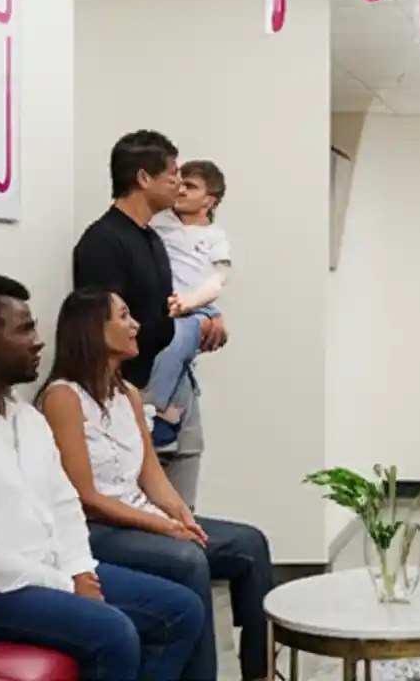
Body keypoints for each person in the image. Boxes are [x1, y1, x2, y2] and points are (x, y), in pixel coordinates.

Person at [0, 273, 205, 681]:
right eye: (24, 329)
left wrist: (79, 569)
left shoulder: (25, 417)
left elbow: (64, 502)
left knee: (182, 610)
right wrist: (65, 583)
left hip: (53, 572)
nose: (38, 340)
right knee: (112, 632)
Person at [39, 287, 273, 681]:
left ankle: (260, 672)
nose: (136, 325)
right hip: (96, 529)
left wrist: (181, 516)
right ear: (93, 329)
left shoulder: (127, 393)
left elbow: (151, 473)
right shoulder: (62, 397)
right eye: (125, 316)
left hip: (141, 517)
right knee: (188, 560)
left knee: (249, 545)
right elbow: (86, 498)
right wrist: (163, 527)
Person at [73, 130, 227, 506]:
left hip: (173, 385)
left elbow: (167, 308)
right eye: (173, 174)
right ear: (144, 178)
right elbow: (102, 330)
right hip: (132, 395)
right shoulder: (103, 242)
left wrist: (206, 319)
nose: (177, 183)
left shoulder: (154, 240)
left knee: (186, 482)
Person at [146, 160, 232, 447]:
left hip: (196, 307)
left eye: (190, 186)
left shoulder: (214, 237)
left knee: (177, 340)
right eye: (179, 182)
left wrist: (188, 302)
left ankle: (152, 411)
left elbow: (217, 281)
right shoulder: (160, 222)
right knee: (175, 356)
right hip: (166, 305)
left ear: (210, 199)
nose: (180, 189)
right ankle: (172, 417)